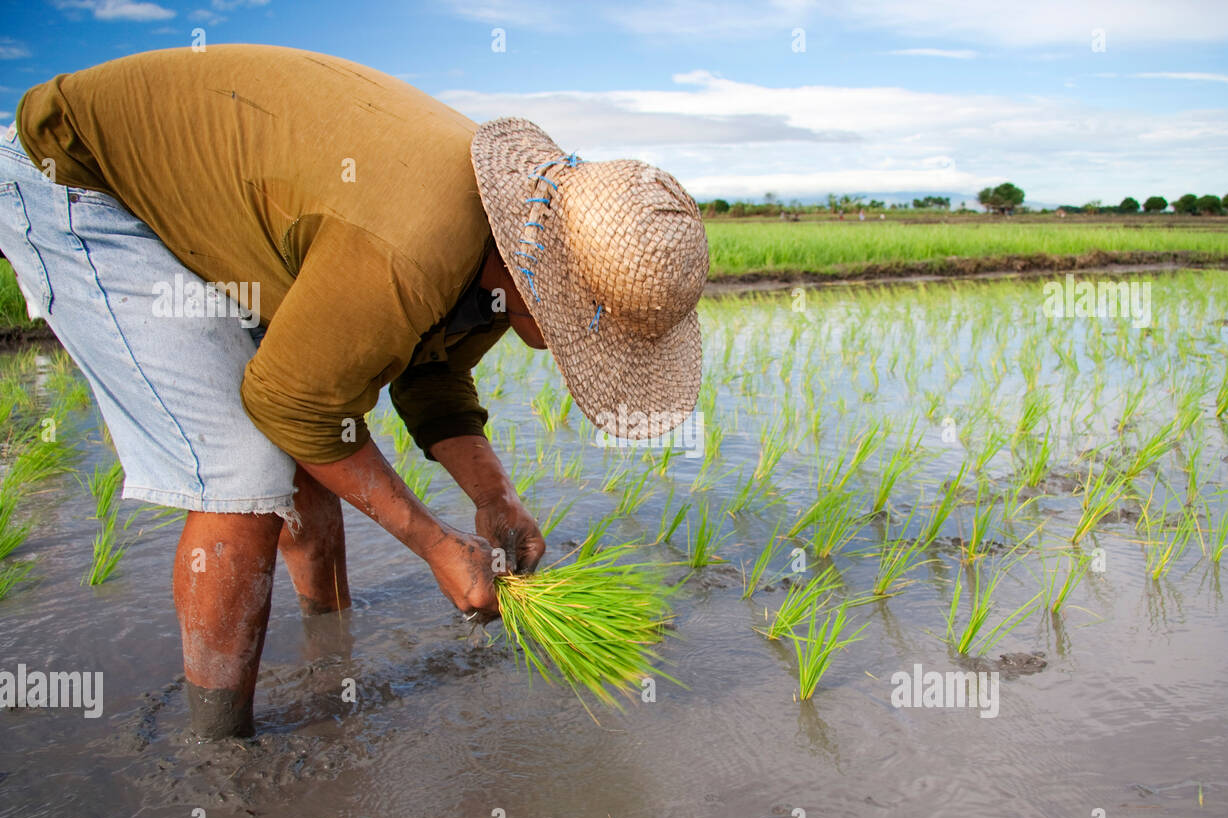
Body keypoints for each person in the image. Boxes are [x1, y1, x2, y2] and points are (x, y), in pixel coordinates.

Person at [0, 45, 708, 739]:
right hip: (81, 176)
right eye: (581, 326)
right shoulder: (412, 246)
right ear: (538, 279)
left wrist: (495, 499)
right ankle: (220, 754)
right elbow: (293, 406)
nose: (562, 344)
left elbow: (432, 371)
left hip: (244, 213)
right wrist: (434, 544)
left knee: (308, 458)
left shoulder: (509, 245)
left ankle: (326, 655)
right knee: (244, 478)